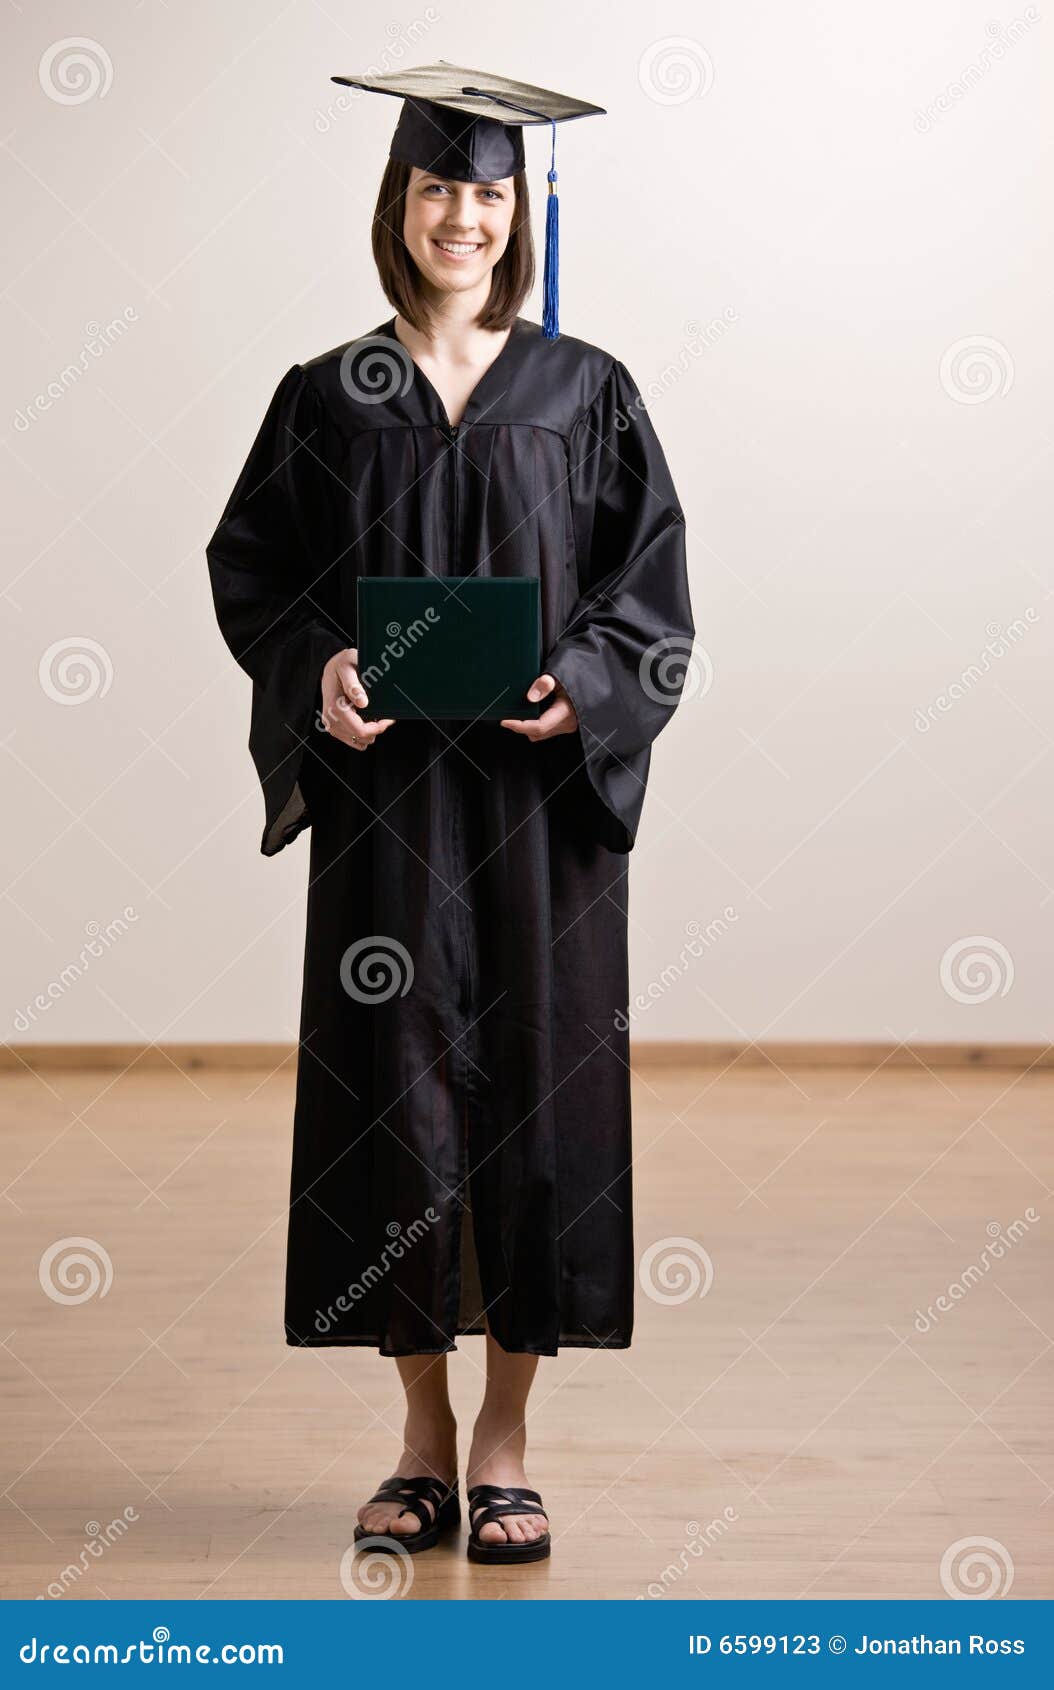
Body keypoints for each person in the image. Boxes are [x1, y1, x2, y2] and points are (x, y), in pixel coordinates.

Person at [205, 63, 695, 1566]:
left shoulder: (584, 390)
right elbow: (257, 574)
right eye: (437, 189)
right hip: (391, 812)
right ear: (396, 204)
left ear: (516, 213)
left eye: (486, 193)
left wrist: (592, 691)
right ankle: (419, 1437)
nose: (462, 216)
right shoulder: (325, 394)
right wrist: (323, 671)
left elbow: (649, 589)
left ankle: (506, 1443)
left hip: (538, 808)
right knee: (395, 1100)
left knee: (539, 1100)